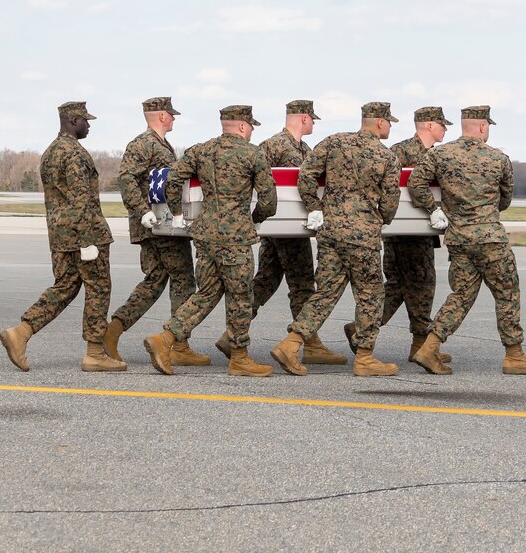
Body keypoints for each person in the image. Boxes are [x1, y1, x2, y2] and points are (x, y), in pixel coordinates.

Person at [409, 106, 526, 376]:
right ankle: (514, 355)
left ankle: (429, 348)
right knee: (506, 293)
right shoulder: (498, 158)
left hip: (459, 239)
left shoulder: (439, 154)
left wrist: (434, 209)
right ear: (483, 127)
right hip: (491, 240)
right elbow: (504, 201)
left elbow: (416, 184)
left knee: (461, 296)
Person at [143, 105, 277, 377]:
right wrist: (254, 218)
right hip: (235, 237)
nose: (252, 132)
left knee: (206, 293)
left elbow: (172, 180)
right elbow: (269, 201)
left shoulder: (201, 150)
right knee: (241, 296)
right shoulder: (253, 154)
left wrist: (177, 213)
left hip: (205, 236)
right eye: (251, 126)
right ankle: (239, 358)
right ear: (242, 126)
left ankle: (165, 339)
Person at [271, 102, 401, 376]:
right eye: (389, 121)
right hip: (363, 236)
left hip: (330, 233)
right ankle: (365, 358)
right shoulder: (386, 157)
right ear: (380, 122)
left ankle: (291, 344)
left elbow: (306, 176)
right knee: (371, 295)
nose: (390, 126)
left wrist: (315, 207)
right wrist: (379, 219)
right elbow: (390, 203)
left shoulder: (334, 142)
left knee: (326, 293)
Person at [0, 102, 126, 373]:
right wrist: (87, 241)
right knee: (99, 288)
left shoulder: (50, 152)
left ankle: (21, 332)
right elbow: (81, 200)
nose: (89, 126)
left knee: (65, 286)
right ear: (74, 120)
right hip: (84, 235)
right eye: (86, 121)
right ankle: (95, 353)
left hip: (60, 235)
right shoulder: (74, 153)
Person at [244, 100, 347, 366]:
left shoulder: (305, 149)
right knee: (302, 283)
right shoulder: (273, 145)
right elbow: (253, 180)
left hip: (288, 226)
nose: (313, 123)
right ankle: (311, 344)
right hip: (284, 228)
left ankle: (233, 334)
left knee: (266, 281)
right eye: (312, 119)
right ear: (303, 118)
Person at [348, 106, 453, 362]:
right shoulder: (400, 152)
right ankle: (412, 341)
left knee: (408, 286)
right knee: (418, 284)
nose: (445, 129)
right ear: (429, 125)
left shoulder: (434, 154)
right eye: (442, 125)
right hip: (403, 233)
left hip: (420, 232)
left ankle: (413, 341)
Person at [103, 96, 201, 364]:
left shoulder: (160, 144)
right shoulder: (144, 143)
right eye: (171, 114)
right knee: (183, 278)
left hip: (160, 224)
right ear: (162, 116)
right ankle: (179, 345)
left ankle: (113, 331)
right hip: (157, 225)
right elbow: (126, 178)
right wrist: (141, 210)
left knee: (155, 280)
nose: (174, 118)